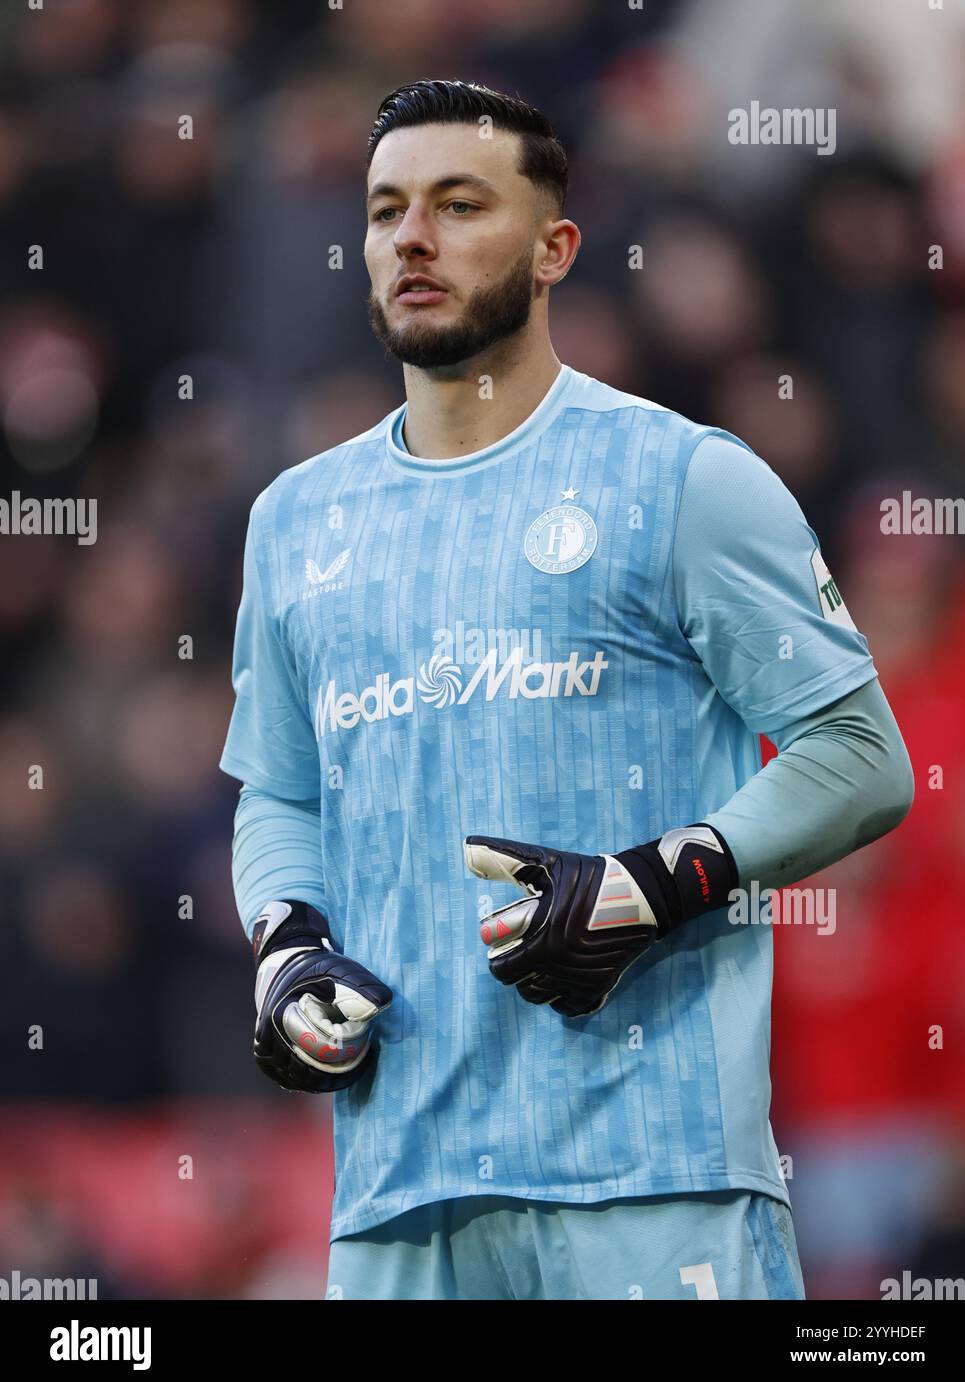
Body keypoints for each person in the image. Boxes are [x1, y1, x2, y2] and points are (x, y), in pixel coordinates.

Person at [220, 79, 914, 1301]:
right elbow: (279, 795)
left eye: (456, 204)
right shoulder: (292, 523)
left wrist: (654, 880)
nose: (411, 239)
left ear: (556, 250)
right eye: (386, 211)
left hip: (655, 1175)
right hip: (397, 1191)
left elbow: (859, 753)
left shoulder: (686, 478)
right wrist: (286, 947)